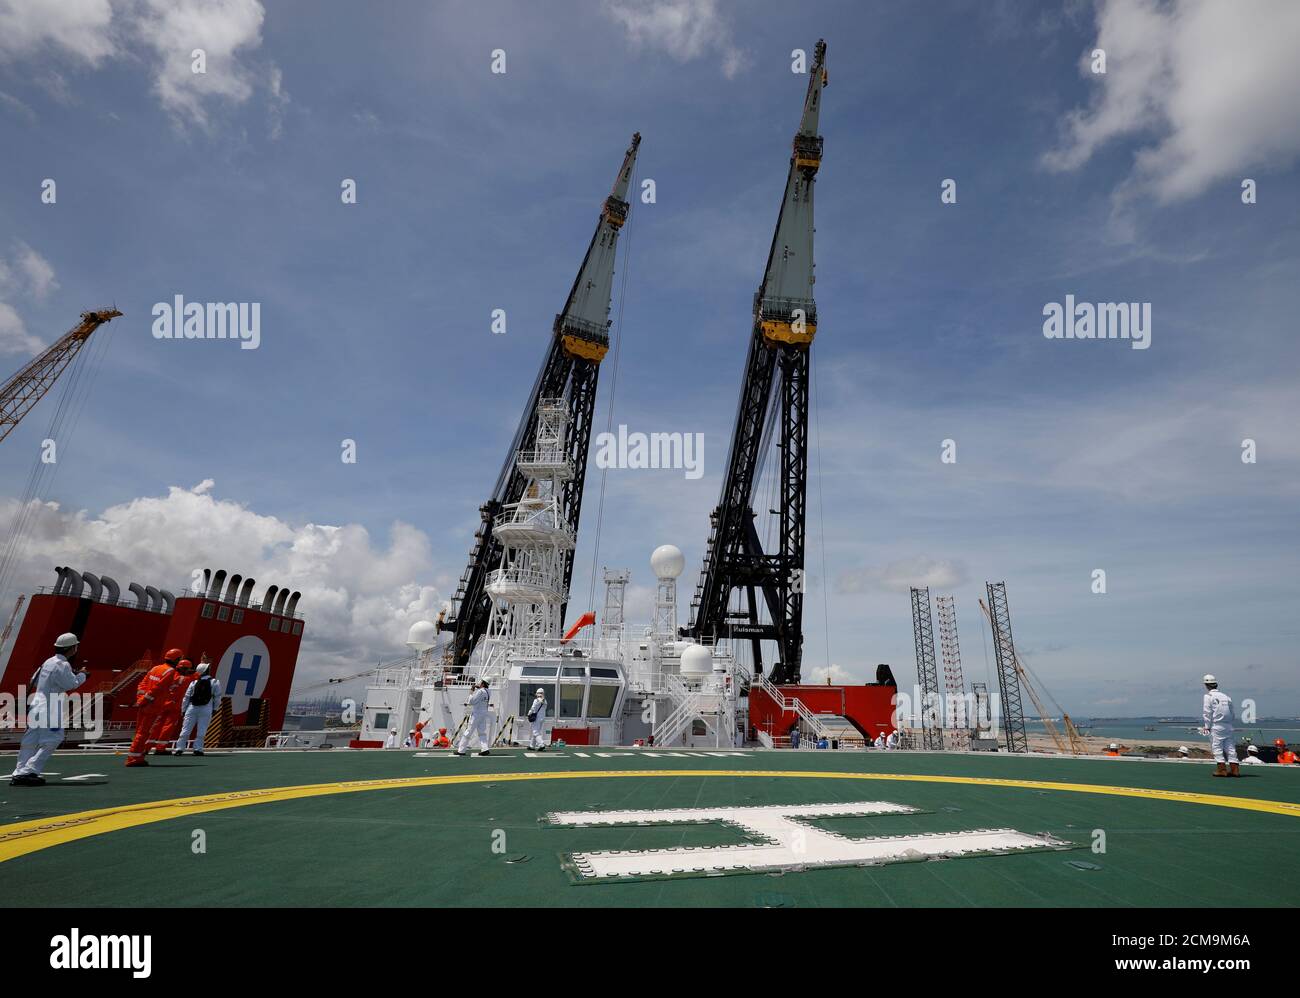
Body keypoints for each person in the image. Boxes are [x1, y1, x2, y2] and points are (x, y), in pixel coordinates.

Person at [11, 633, 87, 787]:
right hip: (50, 707)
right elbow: (70, 684)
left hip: (36, 705)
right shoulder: (63, 665)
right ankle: (29, 771)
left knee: (30, 740)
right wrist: (82, 675)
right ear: (72, 648)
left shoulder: (47, 662)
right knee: (54, 738)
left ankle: (19, 771)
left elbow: (34, 680)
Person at [126, 648, 184, 767]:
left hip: (144, 705)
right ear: (177, 660)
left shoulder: (155, 668)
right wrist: (146, 699)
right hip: (153, 706)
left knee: (139, 732)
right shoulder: (170, 672)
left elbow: (143, 684)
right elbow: (157, 688)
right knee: (144, 733)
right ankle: (134, 758)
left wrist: (141, 699)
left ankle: (138, 755)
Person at [150, 657, 198, 753]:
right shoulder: (188, 679)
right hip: (175, 706)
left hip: (163, 704)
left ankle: (146, 747)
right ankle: (160, 748)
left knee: (156, 725)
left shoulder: (171, 675)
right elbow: (198, 676)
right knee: (168, 727)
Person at [174, 660, 221, 755]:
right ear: (206, 671)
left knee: (185, 729)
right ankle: (198, 749)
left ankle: (179, 749)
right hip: (206, 708)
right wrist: (215, 708)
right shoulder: (215, 682)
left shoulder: (194, 683)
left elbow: (186, 697)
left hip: (192, 707)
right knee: (202, 730)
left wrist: (183, 710)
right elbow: (217, 697)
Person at [1202, 674, 1238, 777]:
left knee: (1217, 747)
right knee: (1230, 748)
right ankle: (1235, 770)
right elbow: (1232, 713)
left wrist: (1207, 726)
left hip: (1217, 725)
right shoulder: (1226, 697)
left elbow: (1207, 713)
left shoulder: (1208, 696)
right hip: (1228, 726)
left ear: (1206, 685)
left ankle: (1222, 770)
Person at [454, 679, 492, 756]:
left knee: (468, 732)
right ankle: (485, 749)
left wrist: (471, 692)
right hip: (483, 713)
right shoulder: (488, 691)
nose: (479, 683)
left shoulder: (480, 691)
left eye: (481, 682)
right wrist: (478, 688)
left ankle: (461, 751)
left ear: (483, 683)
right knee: (482, 733)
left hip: (477, 714)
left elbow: (471, 701)